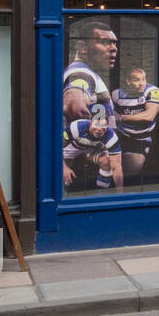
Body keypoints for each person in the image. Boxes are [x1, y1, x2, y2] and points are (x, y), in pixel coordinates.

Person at [63, 20, 122, 191]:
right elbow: (74, 104)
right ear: (83, 47)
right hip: (79, 165)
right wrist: (99, 137)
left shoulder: (89, 73)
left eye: (114, 43)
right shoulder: (81, 73)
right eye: (104, 42)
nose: (113, 48)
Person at [115, 67, 159, 184]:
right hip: (120, 136)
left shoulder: (152, 91)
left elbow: (149, 116)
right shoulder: (116, 94)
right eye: (137, 80)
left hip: (140, 139)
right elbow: (108, 115)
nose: (141, 84)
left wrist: (120, 117)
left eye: (144, 79)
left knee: (130, 172)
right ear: (128, 82)